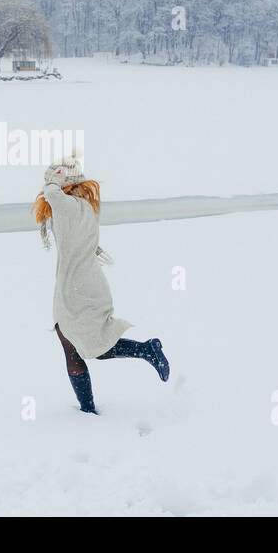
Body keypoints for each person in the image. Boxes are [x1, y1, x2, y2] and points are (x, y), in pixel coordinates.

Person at [33, 154, 169, 413]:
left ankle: (143, 353)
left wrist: (54, 178)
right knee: (88, 344)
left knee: (78, 347)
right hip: (85, 285)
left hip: (75, 290)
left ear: (67, 184)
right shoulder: (87, 206)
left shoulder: (69, 206)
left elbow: (51, 192)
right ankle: (144, 352)